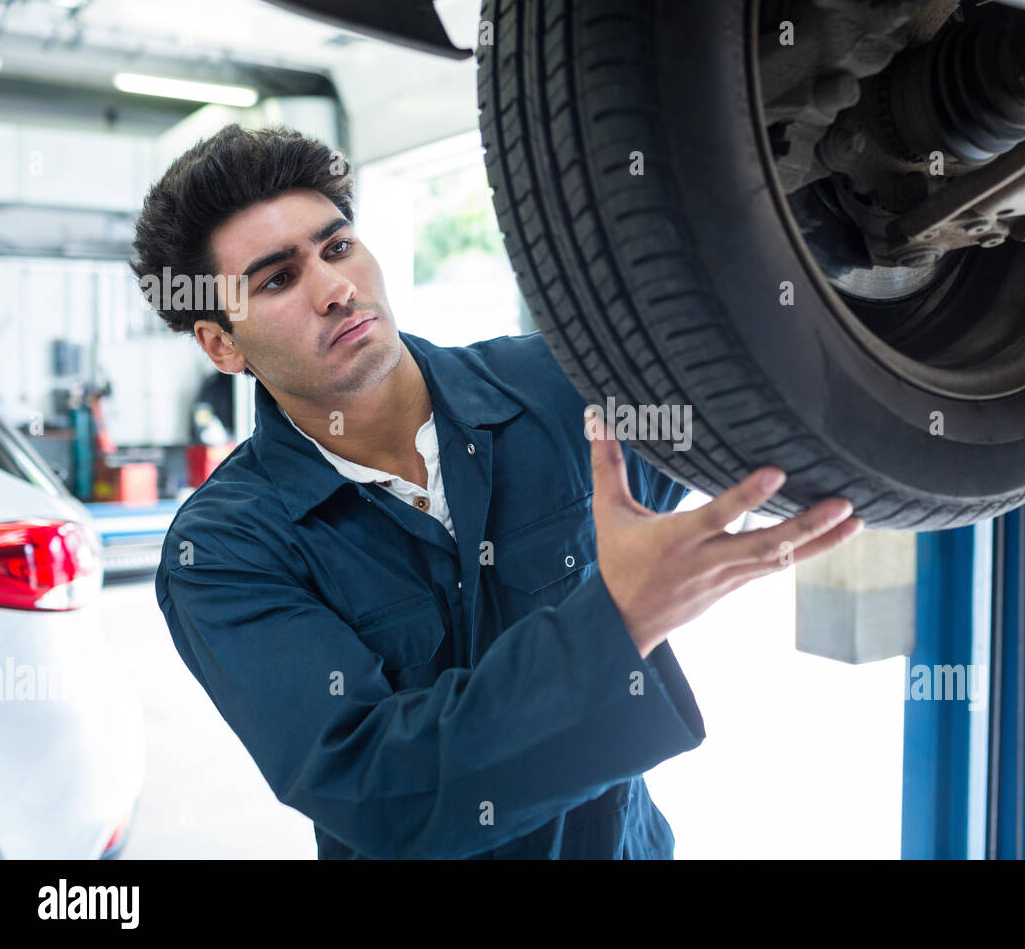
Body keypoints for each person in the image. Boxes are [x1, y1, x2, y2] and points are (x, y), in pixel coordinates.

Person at [133, 124, 863, 859]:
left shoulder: (559, 391)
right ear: (222, 343)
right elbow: (379, 787)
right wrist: (617, 621)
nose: (336, 289)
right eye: (278, 279)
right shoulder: (225, 551)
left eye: (338, 246)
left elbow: (750, 389)